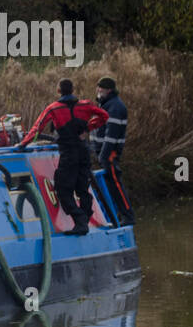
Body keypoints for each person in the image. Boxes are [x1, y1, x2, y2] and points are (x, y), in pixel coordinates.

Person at [17, 79, 108, 235]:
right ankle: (85, 220)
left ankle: (80, 221)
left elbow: (37, 129)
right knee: (82, 188)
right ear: (73, 90)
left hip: (68, 154)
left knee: (63, 190)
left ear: (58, 91)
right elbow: (104, 116)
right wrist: (88, 127)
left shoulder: (53, 109)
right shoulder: (85, 105)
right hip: (83, 151)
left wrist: (22, 144)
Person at [91, 76, 134, 225]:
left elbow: (111, 135)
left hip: (109, 153)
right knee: (109, 185)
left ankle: (128, 216)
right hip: (102, 153)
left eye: (100, 88)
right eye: (97, 87)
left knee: (116, 184)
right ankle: (117, 215)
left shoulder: (115, 107)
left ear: (109, 90)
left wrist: (103, 155)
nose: (98, 90)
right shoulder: (106, 105)